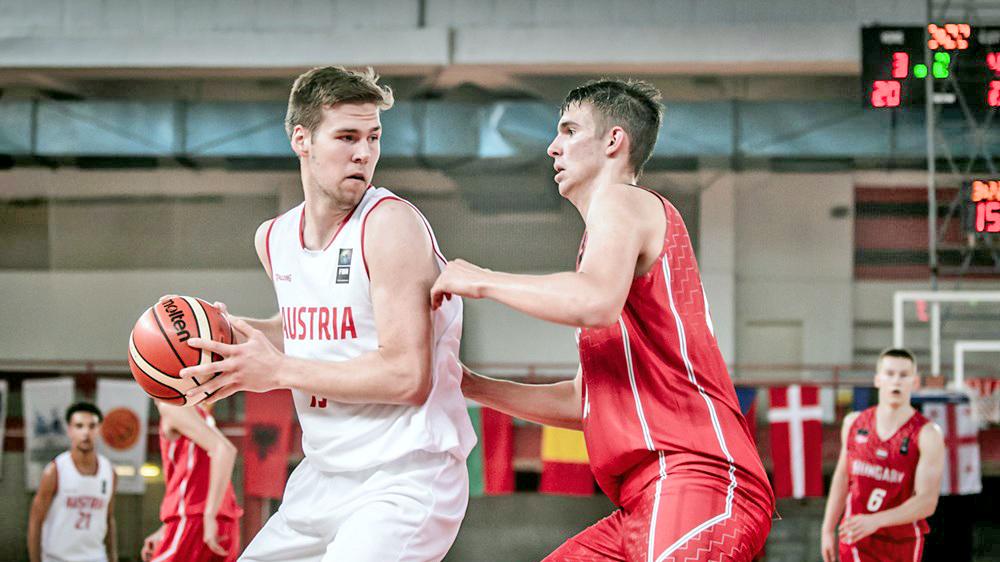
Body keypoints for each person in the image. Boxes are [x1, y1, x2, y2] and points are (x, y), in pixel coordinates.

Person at [430, 79, 775, 561]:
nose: (553, 147)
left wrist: (482, 279)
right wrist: (470, 385)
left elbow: (593, 301)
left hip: (696, 479)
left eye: (569, 130)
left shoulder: (623, 202)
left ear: (614, 141)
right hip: (641, 501)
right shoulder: (602, 251)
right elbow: (583, 401)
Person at [177, 65, 475, 562]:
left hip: (404, 479)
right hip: (322, 478)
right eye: (347, 137)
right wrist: (234, 335)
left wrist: (275, 371)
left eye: (373, 137)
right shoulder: (273, 237)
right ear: (302, 139)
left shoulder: (390, 226)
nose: (364, 153)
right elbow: (308, 328)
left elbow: (407, 375)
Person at [821, 348, 945, 562]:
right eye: (889, 373)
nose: (896, 381)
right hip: (856, 536)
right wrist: (827, 529)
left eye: (903, 375)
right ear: (878, 379)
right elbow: (842, 479)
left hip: (902, 543)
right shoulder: (854, 423)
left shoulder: (927, 434)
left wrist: (876, 520)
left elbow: (927, 501)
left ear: (915, 382)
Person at [141, 402, 242, 562]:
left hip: (196, 520)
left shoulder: (173, 406)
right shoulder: (200, 415)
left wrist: (209, 515)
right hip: (223, 521)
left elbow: (224, 450)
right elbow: (196, 476)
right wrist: (166, 529)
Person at [28, 402, 117, 562]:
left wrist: (113, 557)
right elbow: (36, 520)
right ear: (69, 430)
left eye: (92, 426)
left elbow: (109, 518)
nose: (86, 432)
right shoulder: (55, 470)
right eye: (79, 426)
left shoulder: (109, 472)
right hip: (58, 558)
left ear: (99, 430)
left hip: (96, 557)